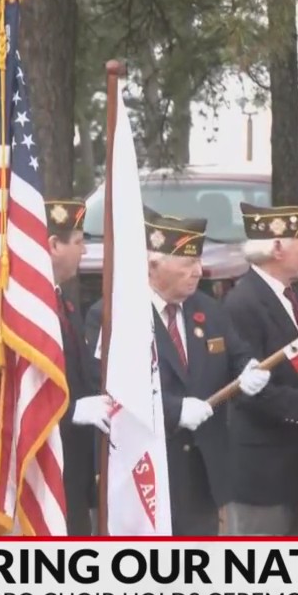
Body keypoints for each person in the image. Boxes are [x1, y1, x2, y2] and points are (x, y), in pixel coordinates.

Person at [0, 199, 111, 595]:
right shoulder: (10, 305)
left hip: (63, 480)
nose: (85, 249)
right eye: (78, 240)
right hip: (21, 475)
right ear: (50, 244)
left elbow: (74, 376)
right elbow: (9, 399)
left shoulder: (59, 302)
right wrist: (74, 411)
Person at [84, 211, 271, 536]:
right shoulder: (114, 313)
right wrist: (174, 410)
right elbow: (109, 389)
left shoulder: (207, 310)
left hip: (201, 472)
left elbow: (236, 355)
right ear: (152, 266)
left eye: (197, 261)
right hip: (145, 470)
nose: (197, 272)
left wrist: (249, 373)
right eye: (185, 264)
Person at [220, 200, 298, 536]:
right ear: (277, 248)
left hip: (297, 462)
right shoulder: (243, 303)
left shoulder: (294, 297)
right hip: (263, 470)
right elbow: (247, 388)